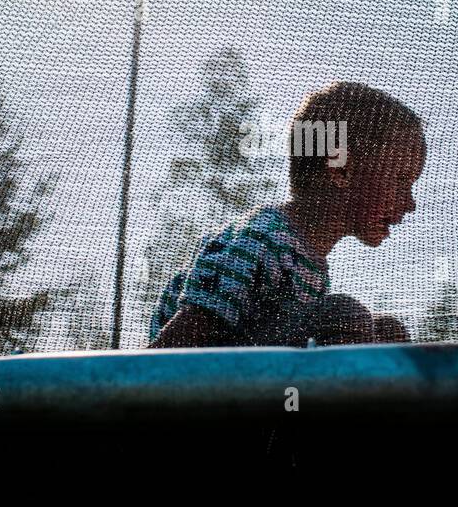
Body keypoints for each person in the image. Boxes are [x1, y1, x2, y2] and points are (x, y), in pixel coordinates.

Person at [148, 81, 426, 348]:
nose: (410, 203)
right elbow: (176, 344)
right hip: (210, 382)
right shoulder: (259, 241)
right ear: (341, 169)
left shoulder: (309, 262)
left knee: (390, 333)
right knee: (345, 317)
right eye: (401, 179)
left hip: (268, 376)